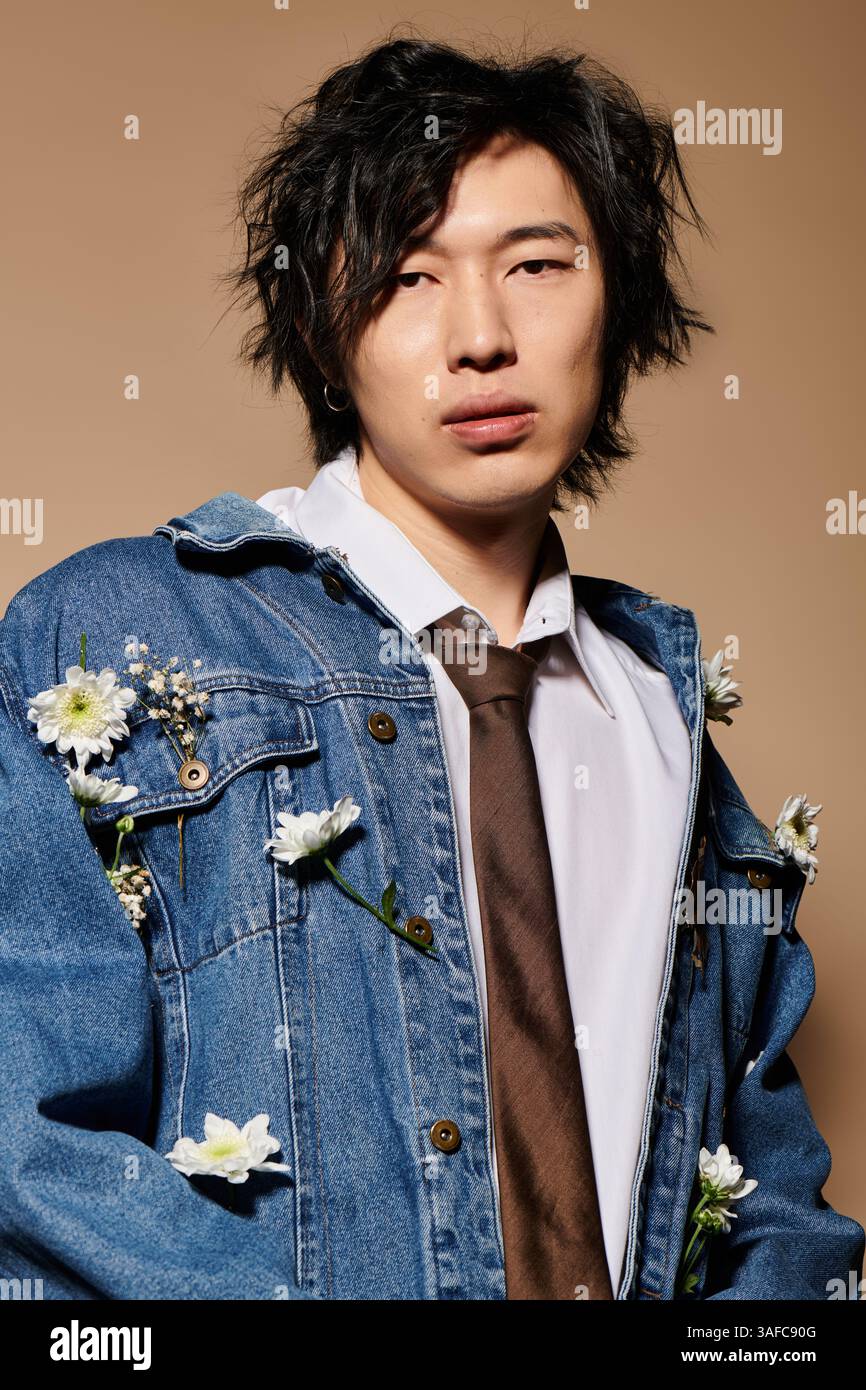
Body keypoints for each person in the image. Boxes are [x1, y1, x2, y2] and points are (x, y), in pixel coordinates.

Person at [0, 35, 862, 1302]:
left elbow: (769, 1209)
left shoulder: (669, 735)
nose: (479, 337)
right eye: (406, 277)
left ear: (614, 295)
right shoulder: (111, 638)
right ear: (321, 319)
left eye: (534, 265)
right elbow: (28, 1165)